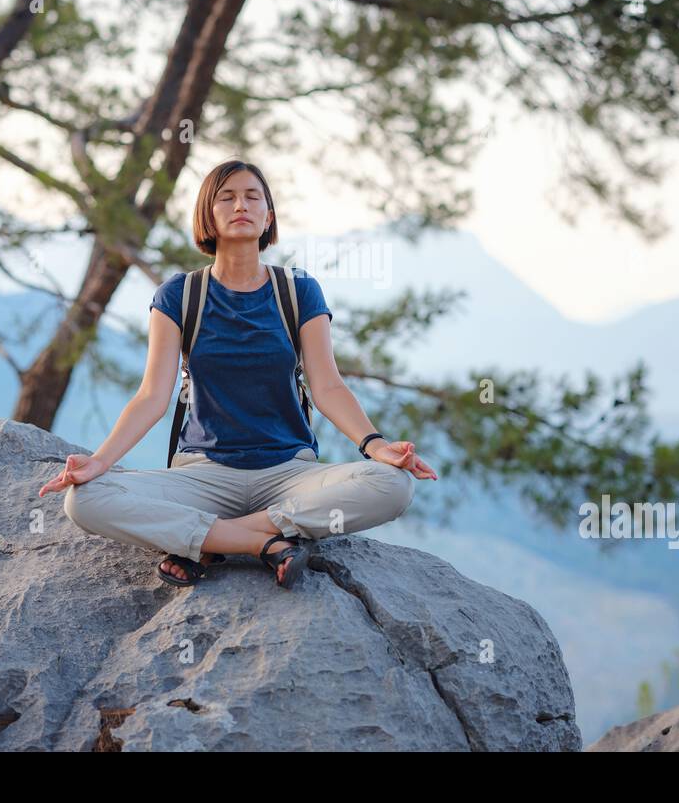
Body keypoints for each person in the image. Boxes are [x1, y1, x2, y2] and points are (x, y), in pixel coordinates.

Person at [39, 159, 438, 591]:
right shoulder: (179, 295)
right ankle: (262, 544)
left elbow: (328, 385)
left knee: (394, 485)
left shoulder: (298, 290)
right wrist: (98, 462)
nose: (240, 206)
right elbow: (152, 395)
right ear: (207, 215)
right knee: (86, 500)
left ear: (268, 215)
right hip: (202, 474)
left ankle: (214, 538)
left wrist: (377, 446)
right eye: (226, 197)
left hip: (289, 475)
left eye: (253, 196)